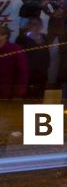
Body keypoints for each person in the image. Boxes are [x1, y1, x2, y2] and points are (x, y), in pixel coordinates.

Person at [0, 24, 29, 157]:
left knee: (3, 124)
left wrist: (19, 91)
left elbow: (22, 71)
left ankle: (1, 151)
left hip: (7, 93)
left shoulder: (15, 49)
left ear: (5, 35)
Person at [15, 17, 50, 101]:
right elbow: (18, 57)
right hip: (27, 73)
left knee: (39, 97)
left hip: (42, 73)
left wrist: (46, 66)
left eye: (38, 24)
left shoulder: (44, 37)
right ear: (29, 26)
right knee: (27, 97)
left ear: (41, 26)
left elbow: (47, 54)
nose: (36, 26)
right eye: (33, 24)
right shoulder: (22, 38)